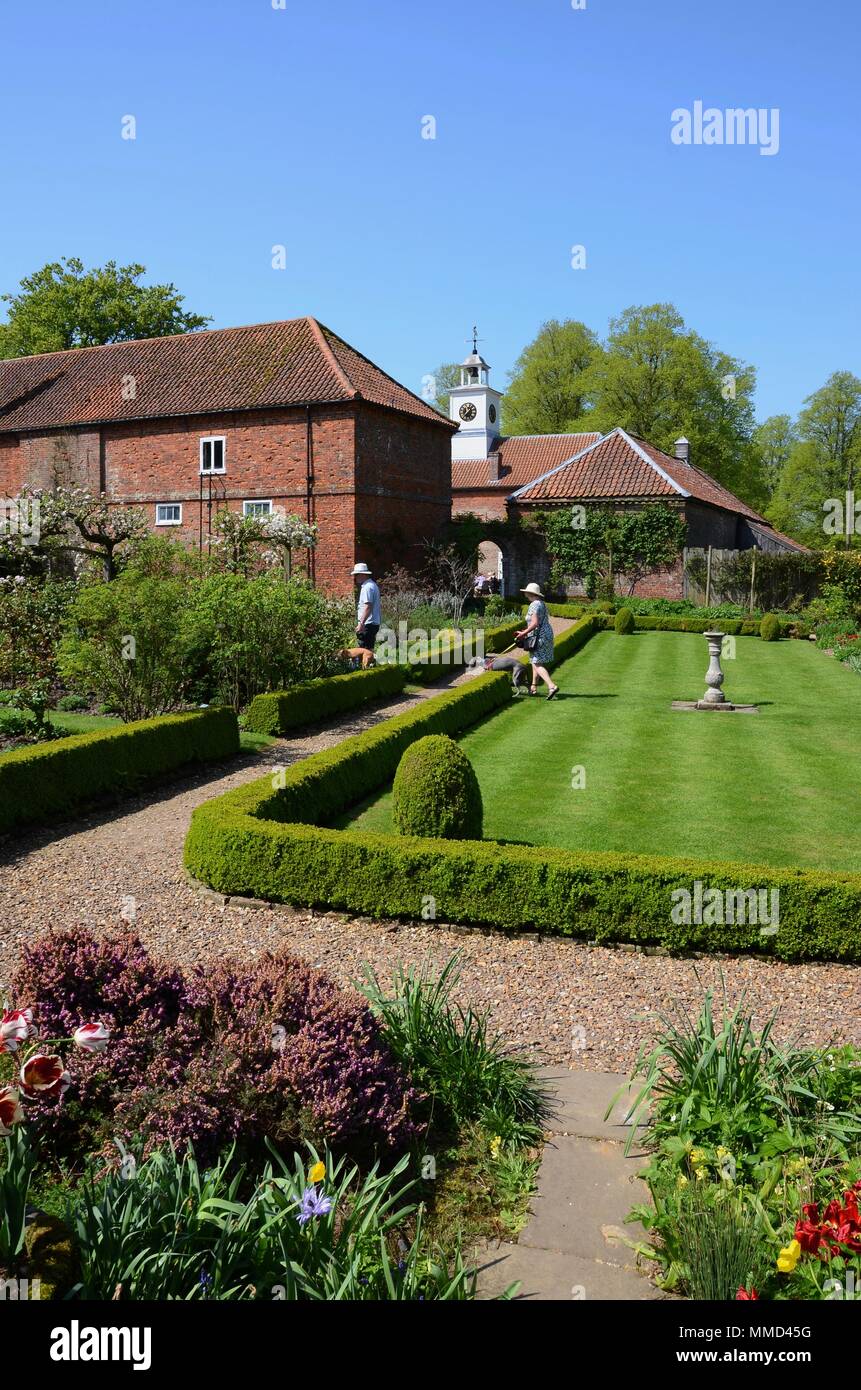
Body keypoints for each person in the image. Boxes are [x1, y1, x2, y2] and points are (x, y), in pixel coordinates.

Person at [516, 582, 559, 700]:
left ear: (529, 593)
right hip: (546, 634)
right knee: (536, 661)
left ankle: (552, 686)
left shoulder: (534, 605)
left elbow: (534, 623)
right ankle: (533, 687)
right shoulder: (542, 604)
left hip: (539, 636)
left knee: (536, 662)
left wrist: (523, 634)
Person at [352, 563, 381, 652]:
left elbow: (368, 606)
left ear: (363, 574)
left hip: (368, 624)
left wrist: (361, 623)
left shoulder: (367, 587)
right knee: (369, 649)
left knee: (363, 651)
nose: (355, 577)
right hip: (372, 623)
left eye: (356, 575)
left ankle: (365, 666)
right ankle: (372, 665)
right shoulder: (372, 585)